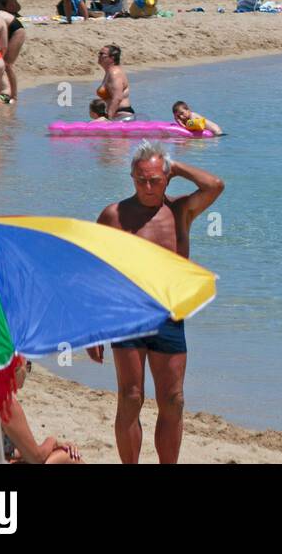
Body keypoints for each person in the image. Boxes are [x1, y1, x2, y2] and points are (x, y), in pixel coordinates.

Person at [88, 144, 225, 464]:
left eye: (155, 180)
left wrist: (175, 165)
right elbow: (93, 271)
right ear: (131, 178)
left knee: (174, 399)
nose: (147, 187)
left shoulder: (180, 211)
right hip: (126, 316)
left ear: (167, 179)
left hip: (169, 314)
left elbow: (215, 185)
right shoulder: (114, 215)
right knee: (131, 397)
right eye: (140, 180)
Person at [0, 357, 83, 464]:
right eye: (27, 366)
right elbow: (37, 458)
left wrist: (52, 447)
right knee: (68, 457)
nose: (27, 372)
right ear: (15, 367)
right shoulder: (4, 403)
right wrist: (52, 441)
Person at [97, 44, 134, 119]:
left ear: (112, 58)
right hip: (117, 114)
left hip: (122, 115)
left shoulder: (115, 73)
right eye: (99, 53)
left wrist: (108, 118)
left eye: (102, 54)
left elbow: (117, 98)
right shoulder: (109, 72)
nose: (98, 56)